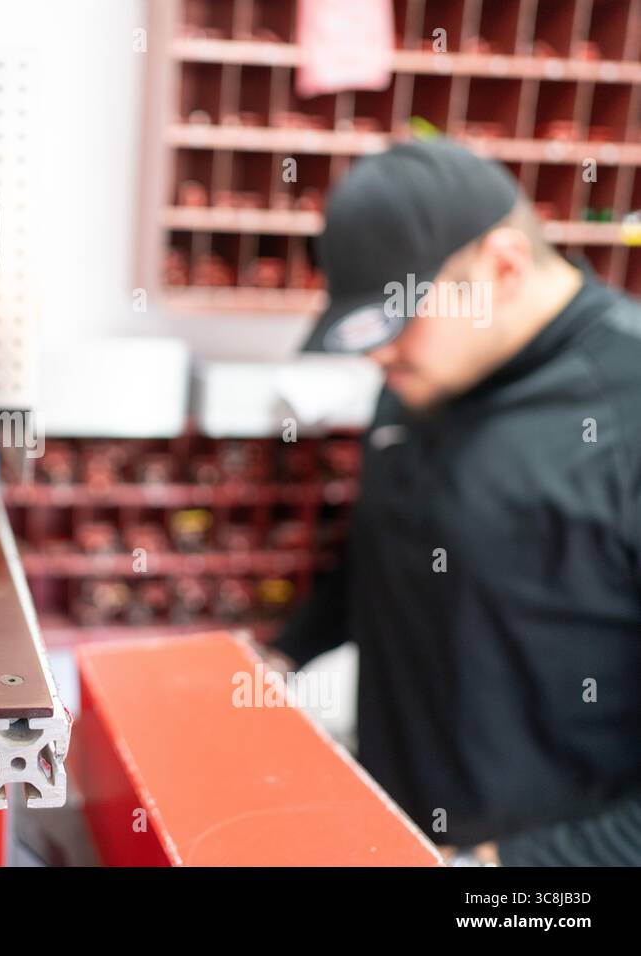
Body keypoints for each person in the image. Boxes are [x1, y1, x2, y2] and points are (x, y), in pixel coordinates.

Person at [270, 138, 641, 865]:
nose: (378, 355)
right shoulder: (421, 372)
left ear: (502, 268)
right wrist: (280, 656)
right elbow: (391, 545)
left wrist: (502, 870)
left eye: (397, 320)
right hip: (394, 831)